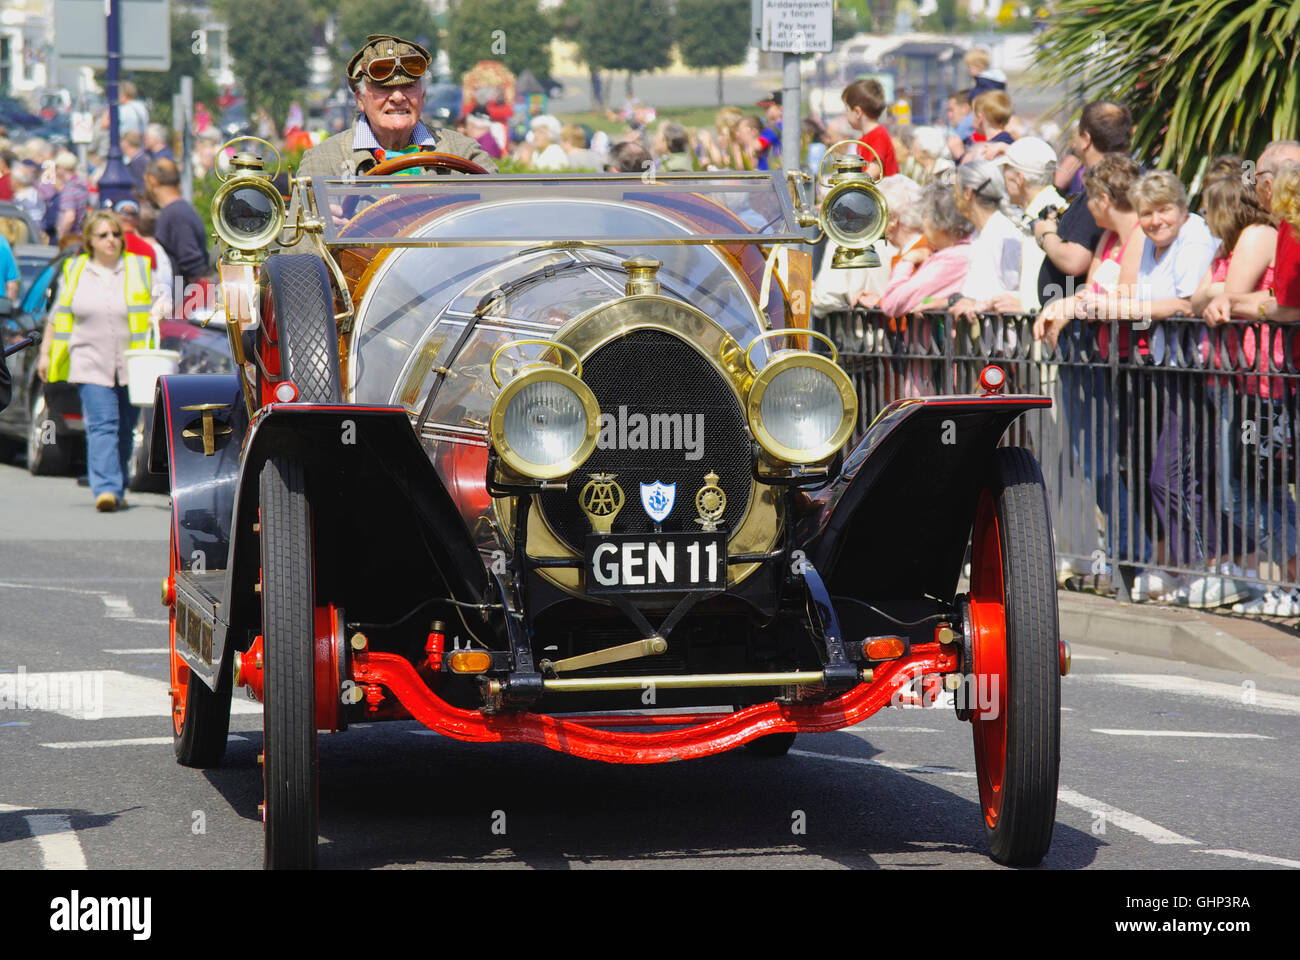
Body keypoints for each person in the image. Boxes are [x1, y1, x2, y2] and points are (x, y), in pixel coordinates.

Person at [36, 210, 161, 511]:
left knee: (125, 428)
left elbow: (161, 296)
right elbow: (56, 316)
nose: (111, 240)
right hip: (89, 361)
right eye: (103, 235)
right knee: (103, 424)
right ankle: (105, 489)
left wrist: (160, 310)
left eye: (116, 234)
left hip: (132, 364)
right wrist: (45, 353)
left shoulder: (138, 267)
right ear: (90, 241)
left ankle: (116, 484)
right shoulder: (75, 270)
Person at [298, 34, 495, 180]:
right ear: (360, 99)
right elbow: (299, 235)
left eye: (408, 86)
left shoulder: (463, 153)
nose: (398, 97)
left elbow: (501, 220)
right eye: (383, 88)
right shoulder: (323, 162)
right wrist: (327, 228)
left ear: (423, 95)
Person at [1034, 100, 1132, 307]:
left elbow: (1074, 260)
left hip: (1085, 327)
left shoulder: (1105, 186)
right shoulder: (1127, 178)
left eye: (1077, 136)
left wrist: (1045, 235)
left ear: (1086, 139)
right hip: (1081, 311)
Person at [879, 180, 974, 317]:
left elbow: (893, 303)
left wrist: (906, 262)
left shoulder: (951, 259)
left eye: (925, 217)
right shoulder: (947, 253)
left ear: (940, 223)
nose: (922, 224)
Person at [992, 136, 1065, 312]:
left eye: (1005, 172)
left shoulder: (1049, 214)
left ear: (1019, 178)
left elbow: (1055, 281)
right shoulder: (1045, 209)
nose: (1004, 180)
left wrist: (1028, 307)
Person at [146, 158, 209, 290]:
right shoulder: (178, 211)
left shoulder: (175, 214)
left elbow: (193, 265)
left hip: (183, 300)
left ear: (152, 181)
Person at [843, 79, 898, 177]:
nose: (845, 114)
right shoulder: (866, 136)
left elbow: (874, 169)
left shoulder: (878, 134)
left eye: (846, 109)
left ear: (858, 112)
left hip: (885, 190)